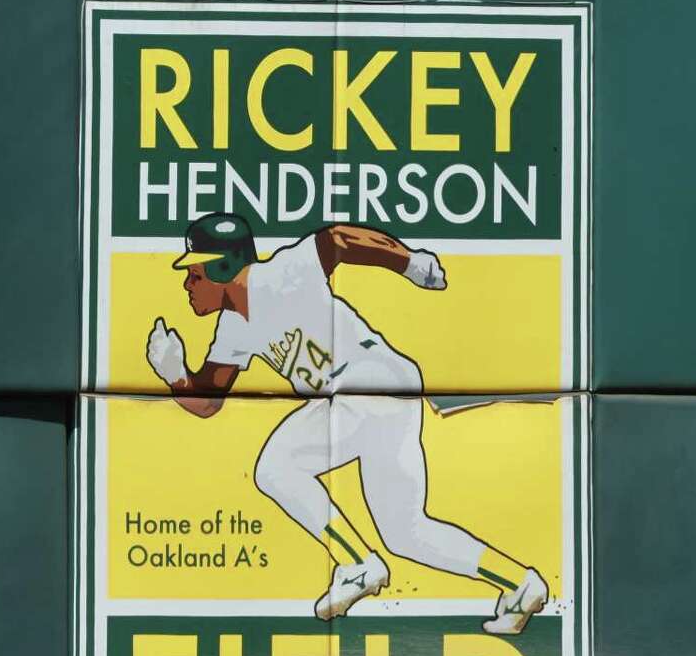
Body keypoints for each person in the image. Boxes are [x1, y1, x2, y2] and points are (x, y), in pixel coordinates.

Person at [143, 212, 548, 634]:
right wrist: (176, 375)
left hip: (369, 383)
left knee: (275, 467)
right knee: (406, 532)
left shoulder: (282, 273)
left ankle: (356, 563)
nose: (187, 284)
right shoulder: (232, 329)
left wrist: (407, 261)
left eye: (193, 273)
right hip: (389, 392)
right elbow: (209, 404)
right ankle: (519, 583)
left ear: (222, 267)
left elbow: (339, 238)